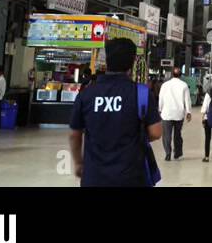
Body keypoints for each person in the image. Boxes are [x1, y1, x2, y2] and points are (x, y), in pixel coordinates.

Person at [69, 38, 162, 187]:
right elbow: (156, 132)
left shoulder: (87, 94)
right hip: (131, 177)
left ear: (107, 60)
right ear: (132, 62)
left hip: (94, 177)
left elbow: (74, 135)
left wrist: (79, 163)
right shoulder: (141, 93)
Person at [158, 67, 192, 161]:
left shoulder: (165, 85)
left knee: (166, 135)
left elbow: (161, 98)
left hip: (166, 113)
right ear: (180, 75)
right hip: (179, 114)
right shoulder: (184, 85)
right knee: (177, 134)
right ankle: (177, 153)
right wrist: (188, 112)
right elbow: (187, 100)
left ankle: (168, 154)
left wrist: (160, 109)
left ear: (172, 74)